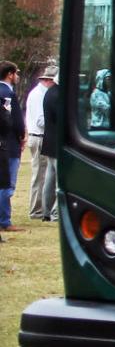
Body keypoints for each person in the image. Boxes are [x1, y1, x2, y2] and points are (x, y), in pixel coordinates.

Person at [25, 65, 56, 221]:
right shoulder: (39, 95)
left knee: (43, 175)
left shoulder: (41, 93)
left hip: (39, 136)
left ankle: (40, 209)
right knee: (40, 175)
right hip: (39, 136)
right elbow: (40, 120)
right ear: (48, 80)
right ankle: (36, 210)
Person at [0, 62, 23, 233]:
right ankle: (4, 220)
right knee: (7, 184)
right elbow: (14, 120)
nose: (18, 76)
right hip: (10, 145)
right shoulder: (8, 93)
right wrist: (22, 136)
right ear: (10, 74)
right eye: (16, 73)